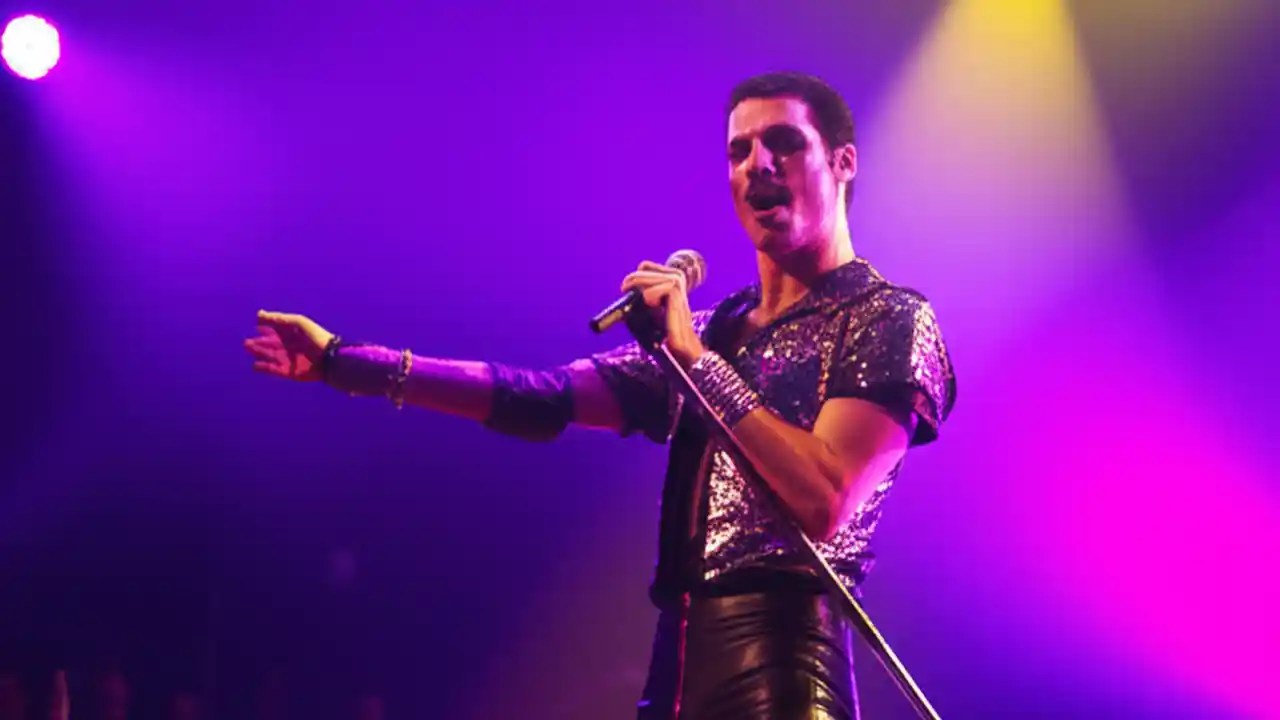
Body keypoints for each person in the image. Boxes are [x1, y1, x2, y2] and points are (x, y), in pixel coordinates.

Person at [244, 71, 955, 720]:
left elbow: (823, 497)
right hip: (673, 669)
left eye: (783, 144)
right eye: (738, 152)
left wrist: (694, 361)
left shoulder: (885, 317)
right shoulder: (720, 331)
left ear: (842, 162)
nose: (756, 166)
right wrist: (348, 363)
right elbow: (543, 397)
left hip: (782, 672)